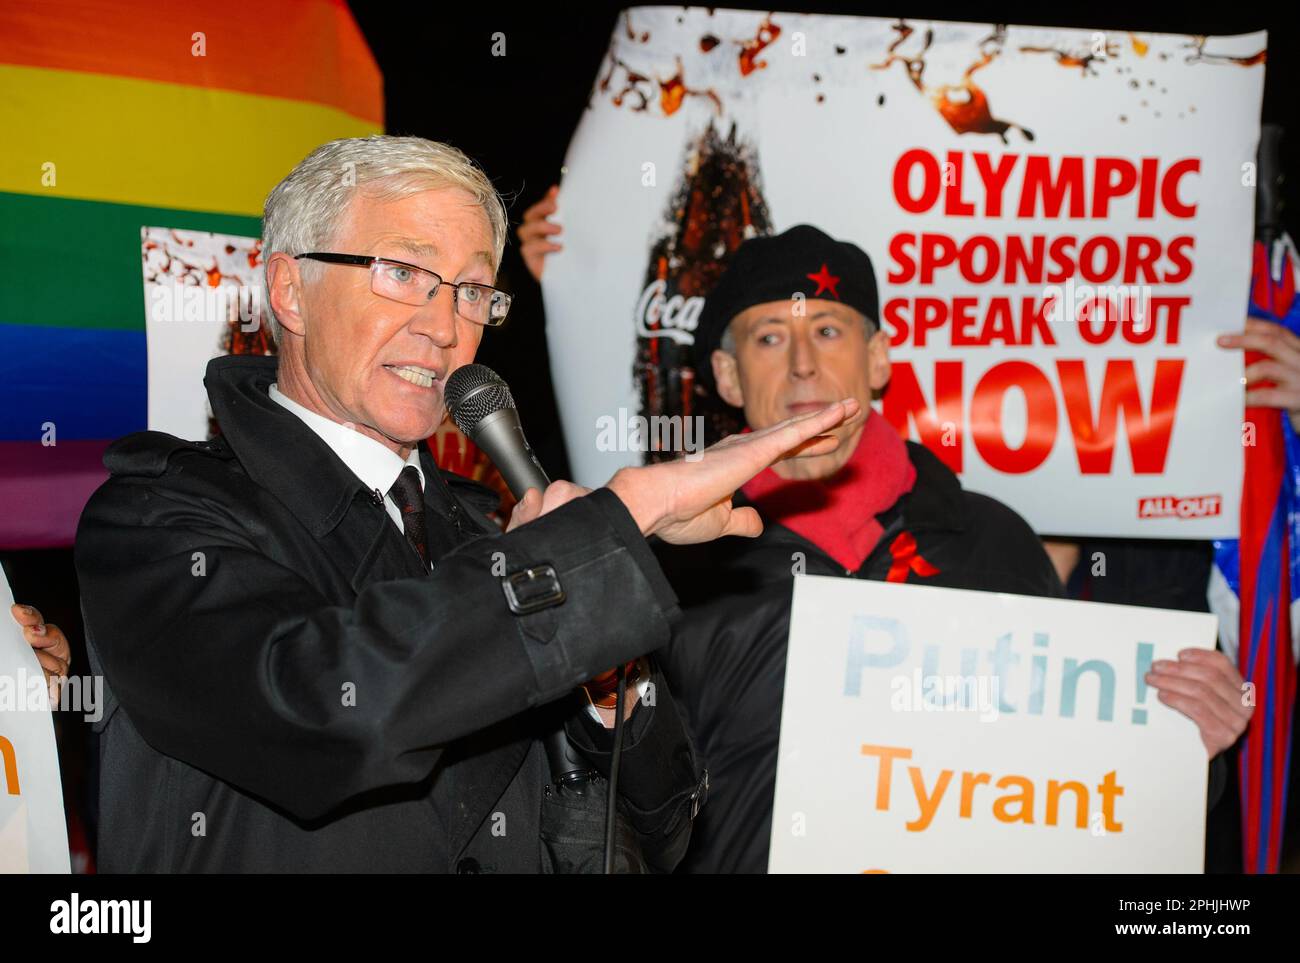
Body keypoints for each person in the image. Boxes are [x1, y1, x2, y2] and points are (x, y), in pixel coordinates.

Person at [70, 136, 858, 873]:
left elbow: (661, 830)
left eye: (474, 290)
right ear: (290, 289)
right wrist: (595, 541)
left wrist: (609, 687)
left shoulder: (489, 526)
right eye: (405, 274)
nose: (446, 326)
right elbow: (326, 710)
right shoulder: (160, 515)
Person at [518, 202, 1254, 872]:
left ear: (878, 359)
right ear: (727, 375)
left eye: (829, 330)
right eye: (770, 336)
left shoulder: (991, 539)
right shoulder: (671, 560)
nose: (804, 362)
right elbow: (620, 806)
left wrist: (1187, 747)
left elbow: (1079, 781)